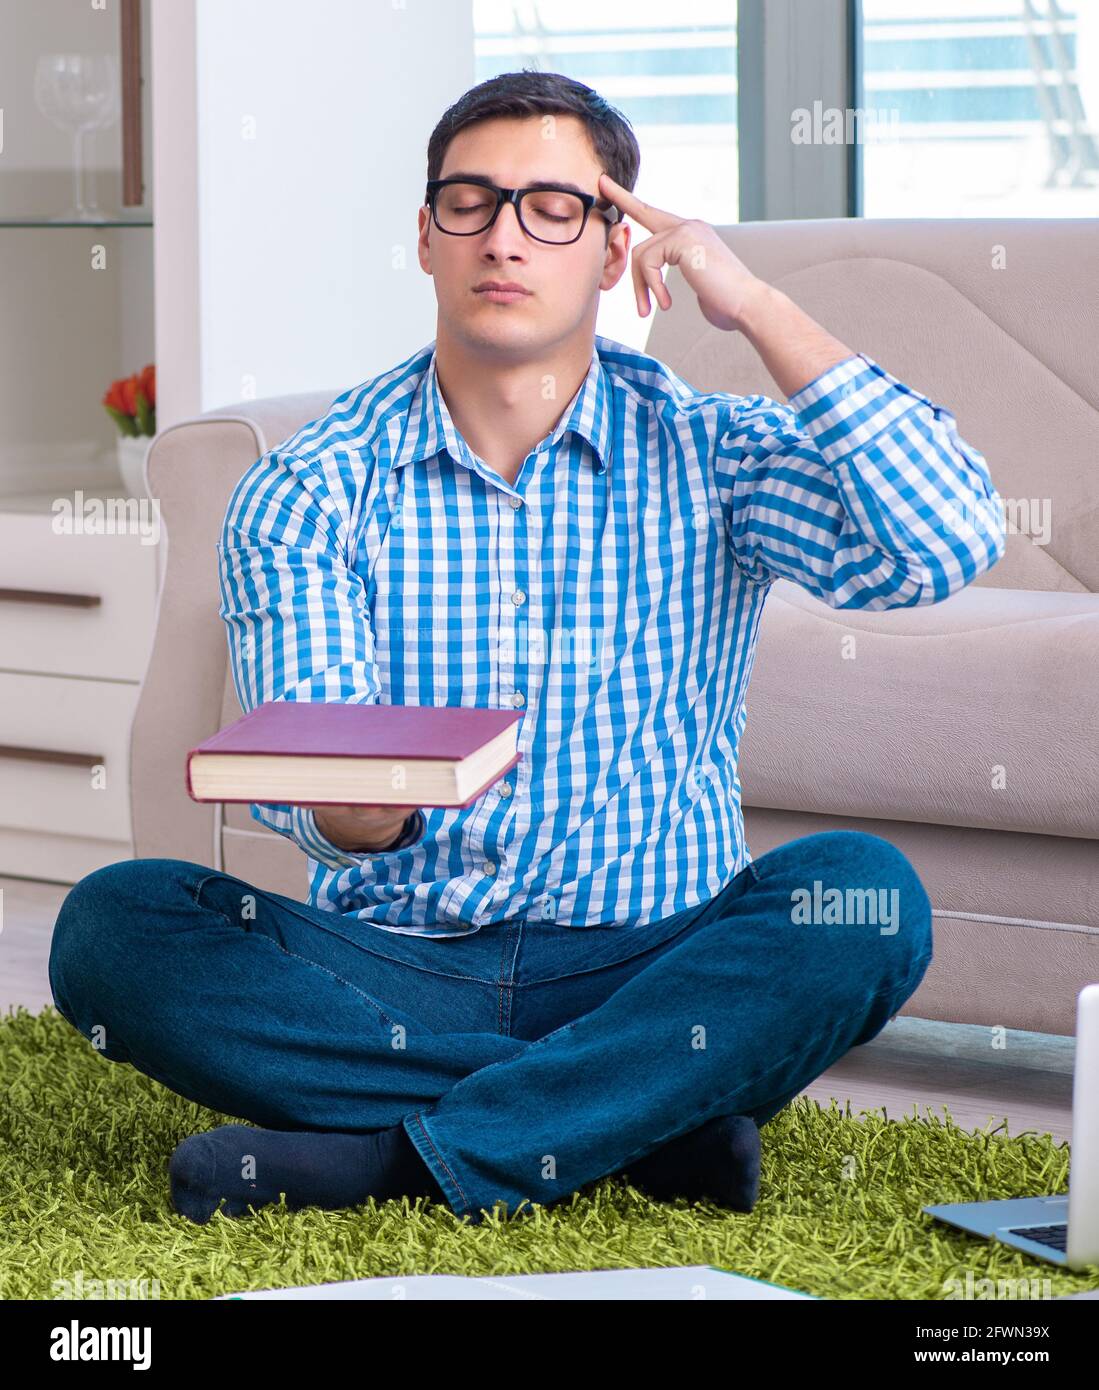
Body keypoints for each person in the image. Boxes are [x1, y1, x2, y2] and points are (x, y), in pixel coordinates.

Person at [48, 70, 1006, 1228]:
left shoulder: (711, 451)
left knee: (864, 899)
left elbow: (942, 541)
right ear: (425, 236)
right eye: (471, 202)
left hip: (651, 964)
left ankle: (403, 1161)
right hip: (399, 969)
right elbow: (316, 786)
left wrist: (753, 302)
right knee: (116, 928)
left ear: (613, 252)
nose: (504, 237)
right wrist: (354, 809)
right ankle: (634, 1122)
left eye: (552, 207)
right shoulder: (307, 489)